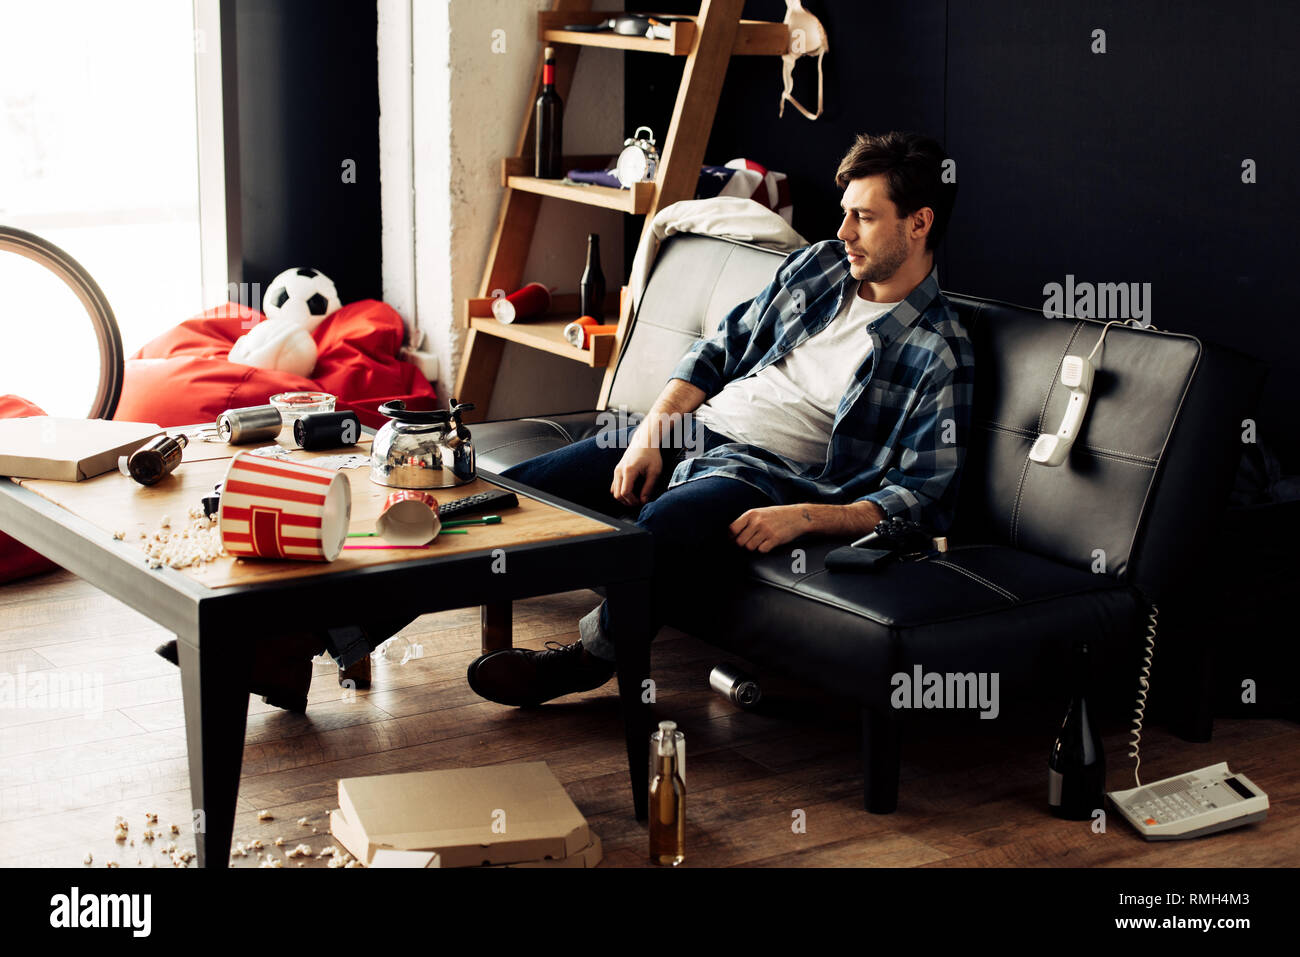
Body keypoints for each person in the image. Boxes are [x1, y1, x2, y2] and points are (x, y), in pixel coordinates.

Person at [467, 131, 976, 708]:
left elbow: (926, 496)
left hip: (764, 474)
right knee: (508, 500)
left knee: (666, 523)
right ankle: (347, 627)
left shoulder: (939, 350)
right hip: (696, 427)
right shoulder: (820, 266)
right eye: (844, 214)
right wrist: (652, 433)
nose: (844, 232)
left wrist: (806, 517)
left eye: (864, 217)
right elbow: (717, 352)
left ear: (919, 223)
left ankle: (586, 660)